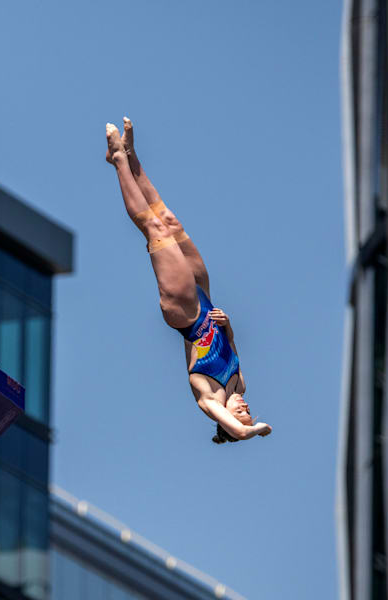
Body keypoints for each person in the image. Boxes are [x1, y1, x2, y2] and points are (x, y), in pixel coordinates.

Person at [105, 117, 272, 443]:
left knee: (155, 229)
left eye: (242, 413)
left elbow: (239, 430)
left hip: (187, 315)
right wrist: (228, 324)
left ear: (228, 421)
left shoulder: (209, 398)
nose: (245, 407)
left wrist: (251, 429)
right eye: (249, 411)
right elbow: (230, 343)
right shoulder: (239, 384)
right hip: (206, 299)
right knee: (169, 222)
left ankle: (118, 160)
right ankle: (132, 155)